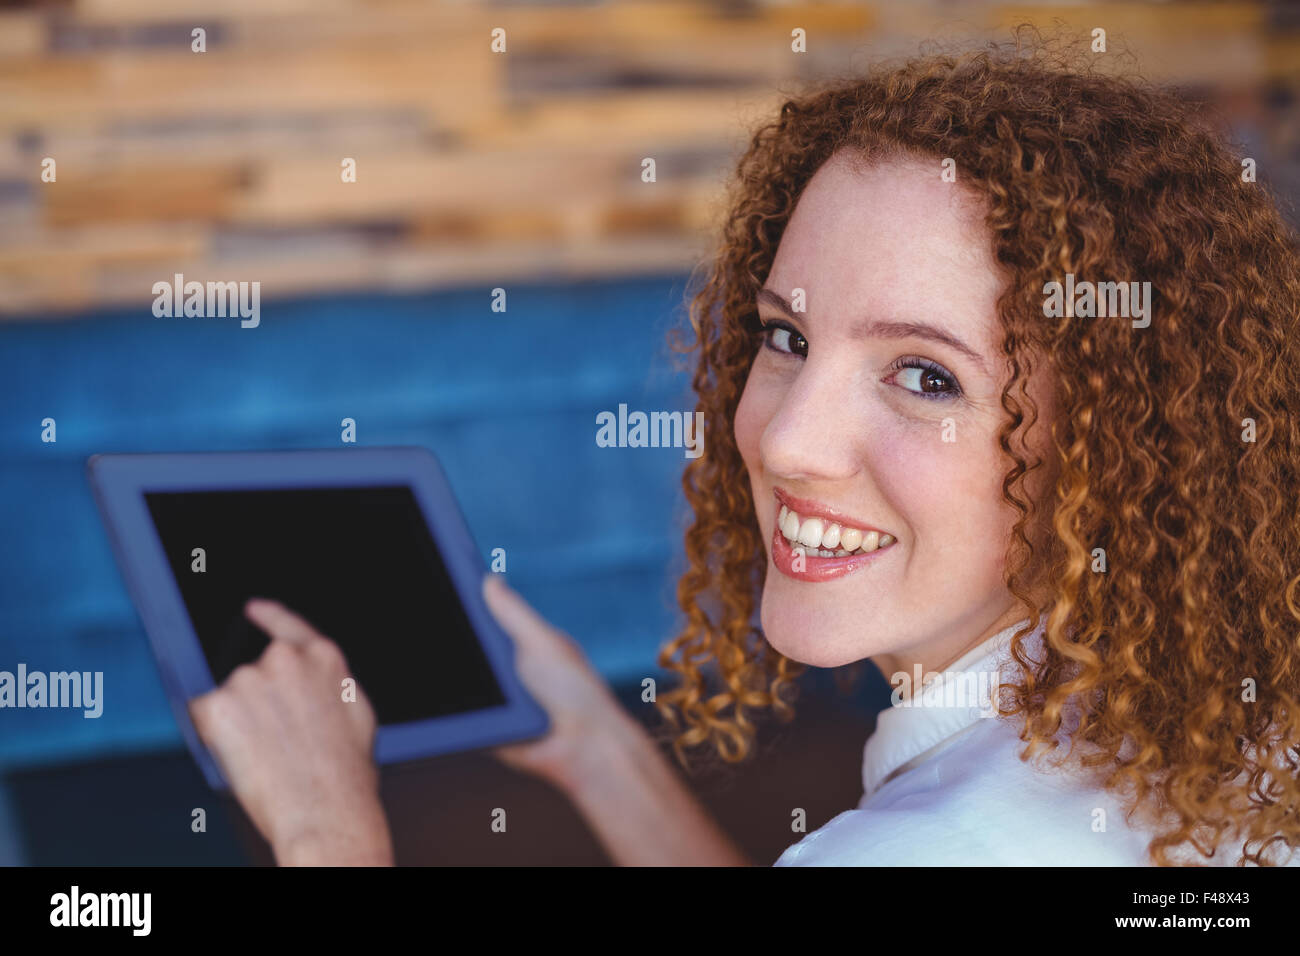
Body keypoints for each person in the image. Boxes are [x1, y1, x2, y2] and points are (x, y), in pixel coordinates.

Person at [188, 43, 1300, 866]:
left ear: (1117, 447)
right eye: (786, 336)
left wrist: (323, 827)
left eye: (925, 375)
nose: (785, 438)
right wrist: (599, 751)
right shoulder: (1221, 733)